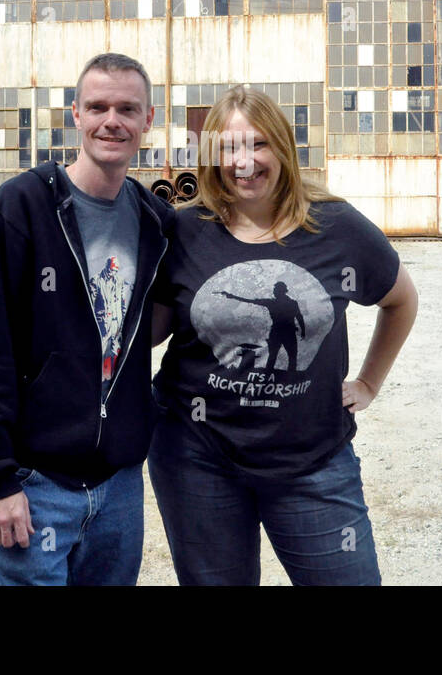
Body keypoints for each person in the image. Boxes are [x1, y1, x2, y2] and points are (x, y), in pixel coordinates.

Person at [148, 85, 418, 585]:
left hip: (312, 461)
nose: (244, 161)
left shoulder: (335, 227)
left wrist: (369, 384)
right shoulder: (184, 231)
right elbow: (152, 333)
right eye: (228, 147)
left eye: (258, 144)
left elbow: (400, 300)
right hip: (196, 459)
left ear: (283, 148)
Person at [0, 53, 174, 586]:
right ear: (76, 114)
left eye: (127, 108)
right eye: (97, 106)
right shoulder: (23, 205)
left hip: (119, 483)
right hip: (36, 483)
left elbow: (155, 323)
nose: (111, 121)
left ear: (148, 120)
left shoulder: (156, 223)